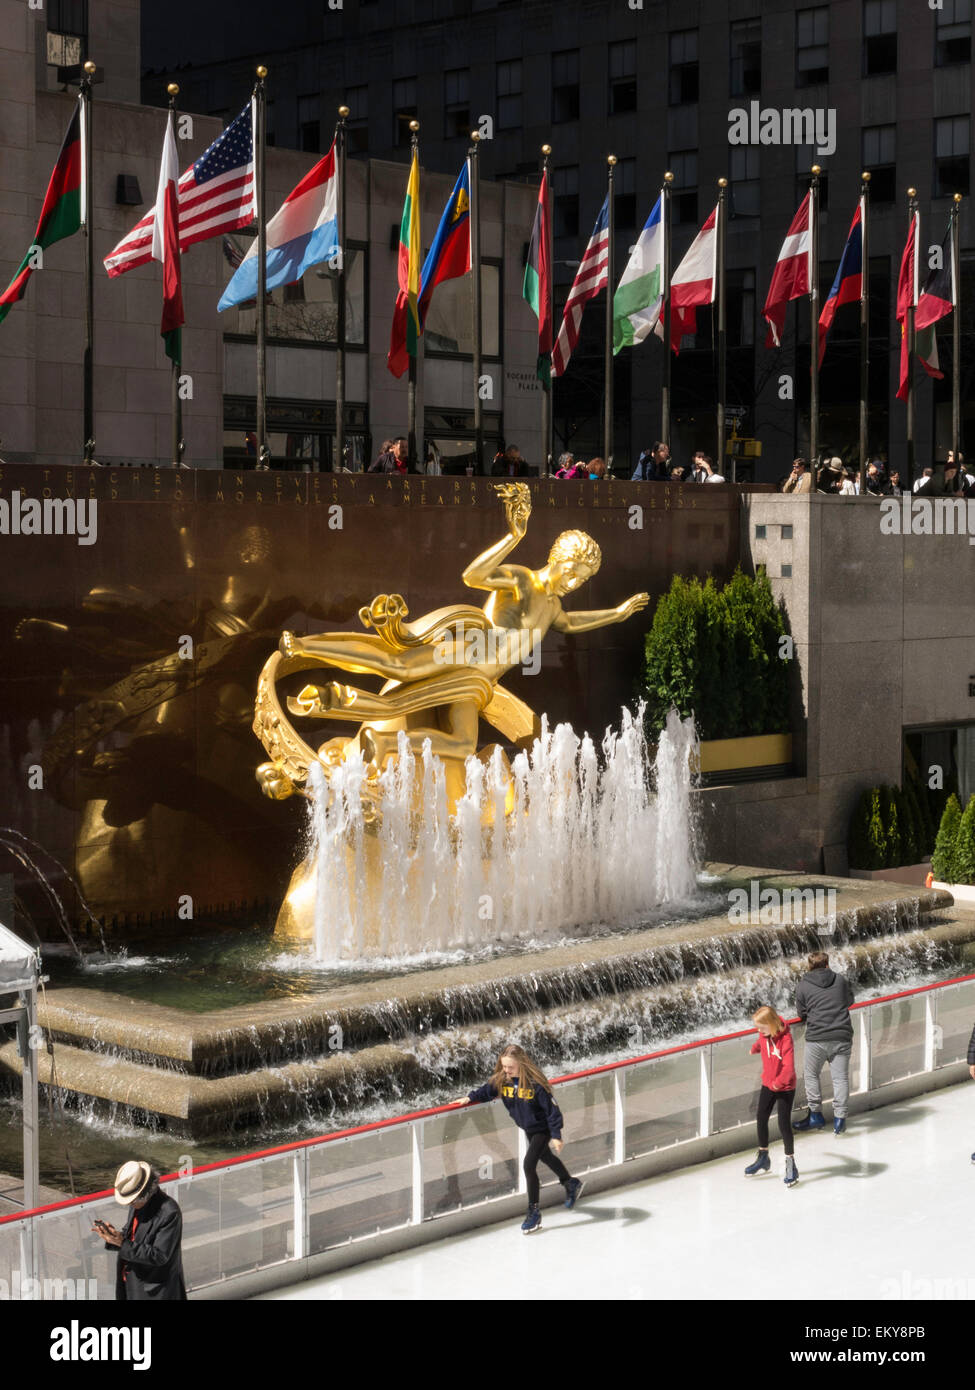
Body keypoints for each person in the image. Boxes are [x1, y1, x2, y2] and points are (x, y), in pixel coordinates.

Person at [453, 1043, 583, 1232]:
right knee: (545, 1156)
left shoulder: (535, 1085)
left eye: (510, 1067)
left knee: (528, 1164)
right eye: (504, 1066)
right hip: (528, 1127)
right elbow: (487, 1090)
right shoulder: (502, 1080)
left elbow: (552, 1111)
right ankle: (570, 1182)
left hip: (542, 1129)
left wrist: (556, 1135)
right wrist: (470, 1098)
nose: (506, 1070)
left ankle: (534, 1212)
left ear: (521, 1064)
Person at [91, 1161, 187, 1301]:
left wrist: (122, 1243)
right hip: (133, 1284)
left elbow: (159, 1255)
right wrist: (113, 1237)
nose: (130, 1204)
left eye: (131, 1201)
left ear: (145, 1194)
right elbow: (133, 1237)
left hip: (155, 1291)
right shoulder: (138, 1204)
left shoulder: (169, 1212)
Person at [793, 950, 855, 1136]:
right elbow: (849, 1001)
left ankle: (815, 1115)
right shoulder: (840, 980)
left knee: (811, 1075)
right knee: (840, 1078)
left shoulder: (802, 986)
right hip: (842, 1035)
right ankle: (840, 1119)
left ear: (809, 966)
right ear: (827, 964)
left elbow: (801, 1013)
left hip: (817, 1038)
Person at [744, 1006, 799, 1187]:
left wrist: (778, 1084)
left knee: (783, 1124)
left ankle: (791, 1164)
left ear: (771, 1024)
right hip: (768, 1083)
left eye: (761, 1027)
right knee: (761, 1117)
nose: (759, 1031)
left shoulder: (786, 1040)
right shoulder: (764, 1034)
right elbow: (761, 1042)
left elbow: (789, 1069)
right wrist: (755, 1048)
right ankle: (763, 1157)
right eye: (757, 1028)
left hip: (785, 1087)